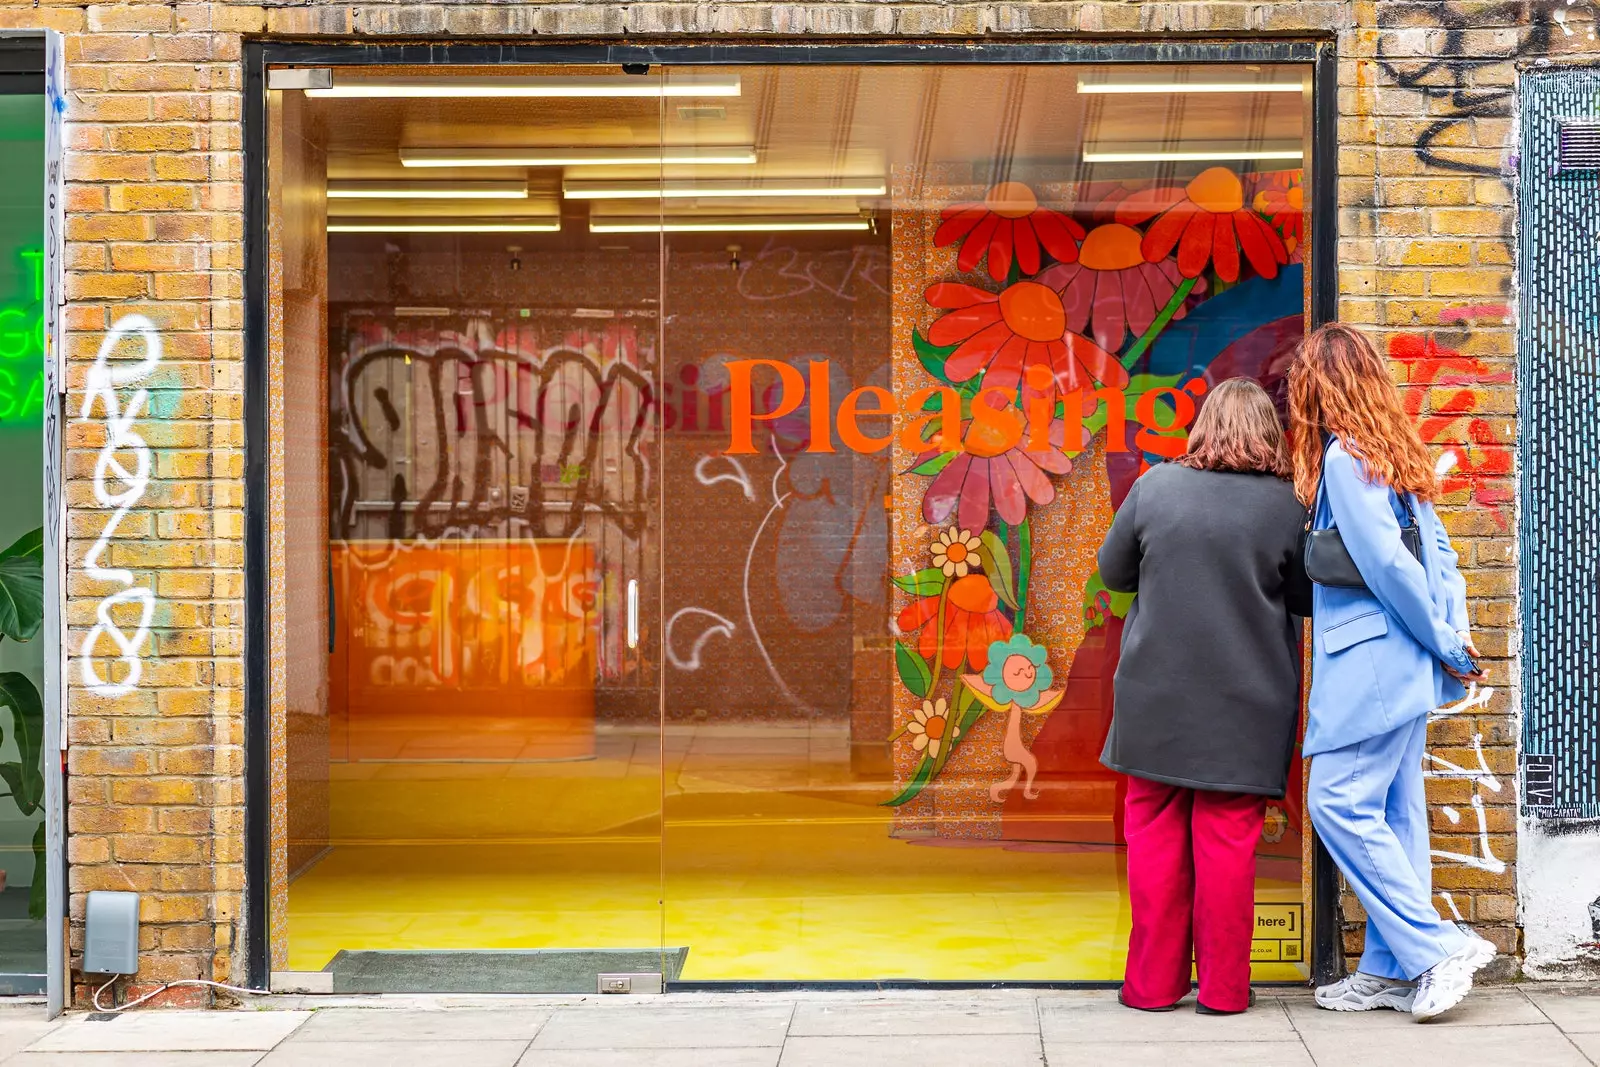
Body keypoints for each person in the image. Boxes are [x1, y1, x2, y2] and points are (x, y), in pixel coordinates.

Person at [1288, 323, 1494, 1022]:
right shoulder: (1396, 454)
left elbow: (1387, 565)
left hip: (1371, 660)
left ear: (1320, 385)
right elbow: (1439, 555)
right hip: (1404, 660)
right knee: (1397, 814)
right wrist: (1449, 640)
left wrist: (1444, 640)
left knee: (1337, 802)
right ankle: (1389, 969)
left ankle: (1435, 949)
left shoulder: (1347, 461)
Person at [1098, 377, 1309, 1016]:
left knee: (1155, 841)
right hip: (1248, 703)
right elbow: (1304, 598)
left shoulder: (1153, 488)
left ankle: (1152, 988)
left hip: (1154, 697)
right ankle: (1223, 992)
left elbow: (1113, 575)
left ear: (1202, 427)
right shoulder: (1288, 506)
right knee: (1228, 844)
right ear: (1269, 434)